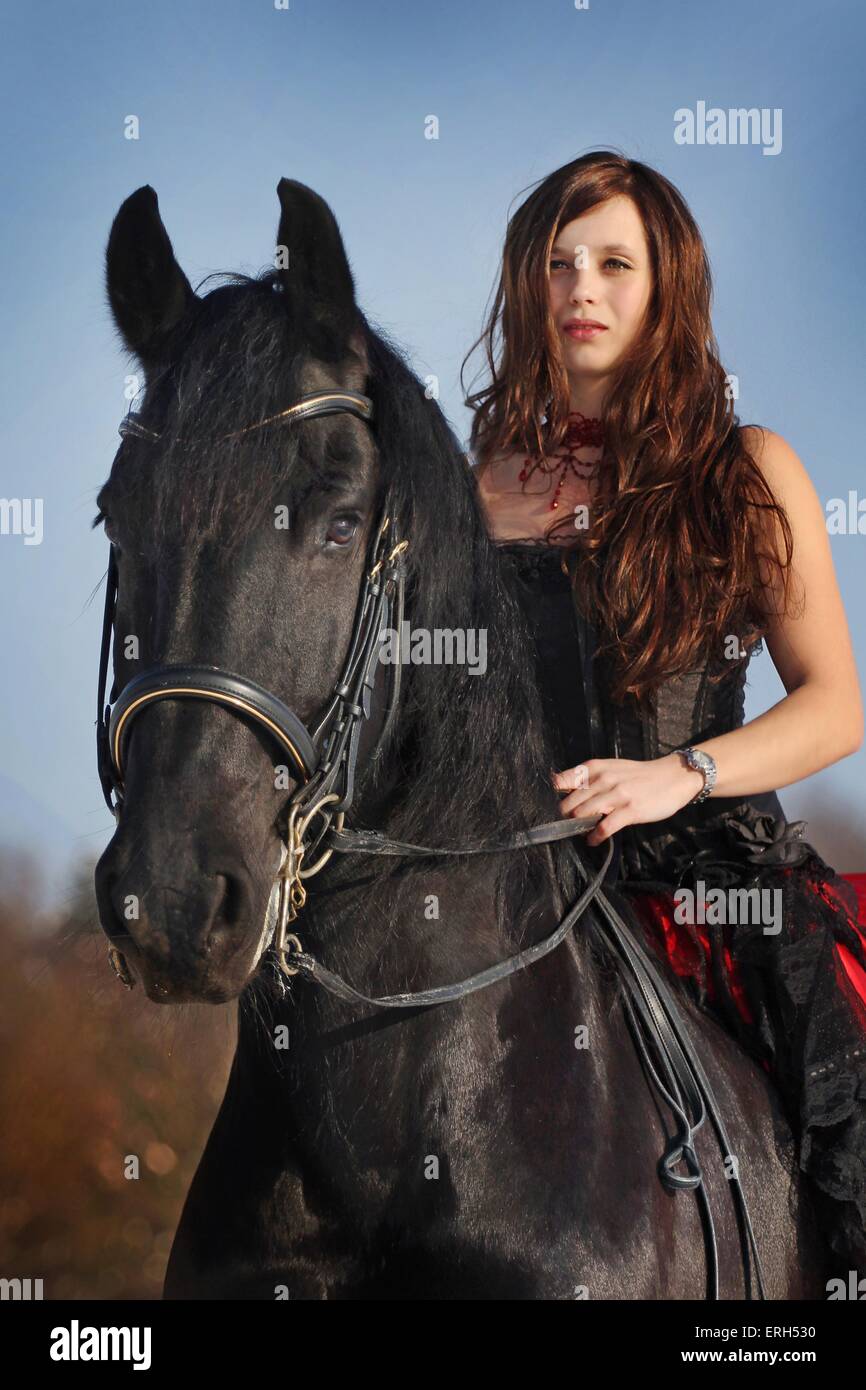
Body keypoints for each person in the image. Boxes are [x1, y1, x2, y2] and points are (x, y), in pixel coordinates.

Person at [463, 150, 866, 1279]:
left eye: (612, 264)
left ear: (666, 288)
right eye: (555, 262)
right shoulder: (471, 487)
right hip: (512, 876)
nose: (578, 289)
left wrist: (674, 771)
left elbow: (835, 707)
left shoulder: (747, 470)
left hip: (704, 873)